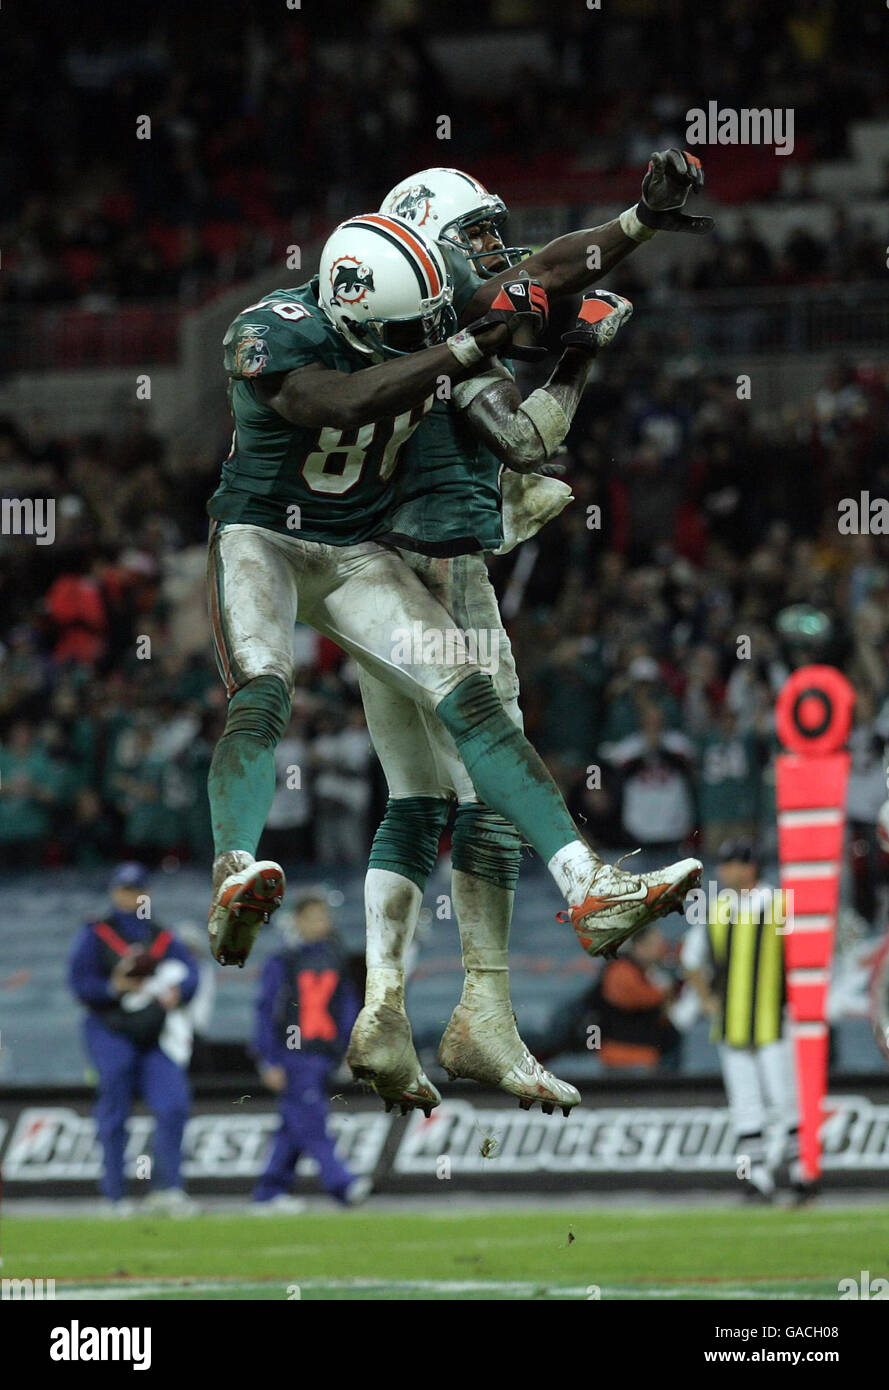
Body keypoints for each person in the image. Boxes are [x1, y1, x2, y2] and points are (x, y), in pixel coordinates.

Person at [204, 209, 701, 996]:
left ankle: (588, 886)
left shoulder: (418, 307)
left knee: (473, 701)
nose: (428, 331)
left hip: (361, 550)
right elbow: (338, 402)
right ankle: (235, 867)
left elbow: (545, 274)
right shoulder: (272, 330)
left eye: (434, 319)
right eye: (408, 326)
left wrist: (636, 222)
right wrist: (465, 347)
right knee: (263, 692)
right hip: (264, 538)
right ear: (351, 306)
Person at [343, 156, 711, 1116]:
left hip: (365, 583)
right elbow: (524, 440)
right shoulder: (438, 338)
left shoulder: (373, 332)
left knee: (419, 798)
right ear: (420, 240)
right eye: (471, 235)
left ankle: (390, 1005)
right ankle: (503, 983)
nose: (491, 251)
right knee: (492, 777)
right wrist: (584, 346)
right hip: (432, 578)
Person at [681, 840, 810, 1202]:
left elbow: (807, 953)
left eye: (730, 865)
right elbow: (691, 959)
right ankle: (757, 1179)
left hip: (777, 1020)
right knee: (746, 1102)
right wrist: (707, 1000)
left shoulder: (780, 903)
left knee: (785, 1098)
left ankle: (801, 1174)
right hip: (733, 1023)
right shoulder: (719, 908)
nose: (723, 872)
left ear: (750, 866)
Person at [67, 862, 200, 1215]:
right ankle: (114, 1195)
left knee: (173, 1104)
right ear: (115, 892)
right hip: (110, 1029)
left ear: (148, 893)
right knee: (114, 1111)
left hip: (154, 1033)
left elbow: (191, 975)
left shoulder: (162, 935)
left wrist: (178, 990)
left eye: (138, 890)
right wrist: (114, 986)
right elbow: (80, 984)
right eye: (126, 890)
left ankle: (168, 1189)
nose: (132, 896)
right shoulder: (96, 932)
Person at [251, 892, 366, 1211]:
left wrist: (349, 1046)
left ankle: (269, 1192)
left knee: (295, 1121)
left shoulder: (336, 959)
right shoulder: (283, 961)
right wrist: (268, 1058)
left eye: (323, 918)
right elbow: (266, 1010)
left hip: (322, 1052)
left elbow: (347, 1008)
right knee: (312, 1119)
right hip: (293, 1053)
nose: (321, 924)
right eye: (314, 918)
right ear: (298, 921)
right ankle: (342, 1183)